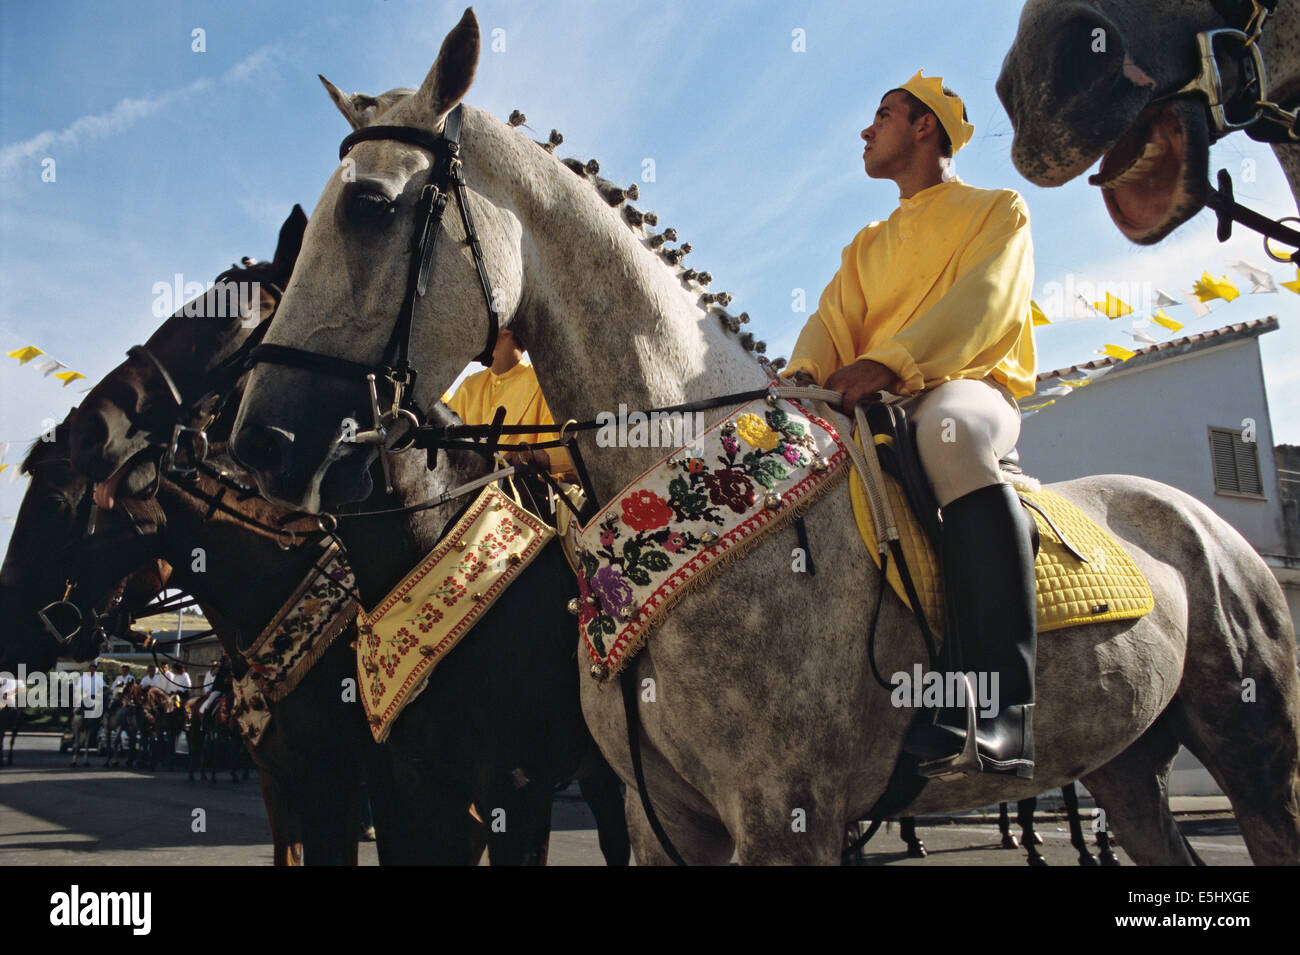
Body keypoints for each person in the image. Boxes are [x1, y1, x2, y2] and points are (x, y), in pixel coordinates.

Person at [785, 71, 1038, 779]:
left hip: (964, 387)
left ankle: (1001, 704)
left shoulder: (997, 209)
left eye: (883, 115)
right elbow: (829, 325)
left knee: (949, 437)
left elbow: (985, 304)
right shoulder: (866, 243)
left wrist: (890, 363)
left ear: (925, 127)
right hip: (872, 397)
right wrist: (800, 377)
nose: (867, 130)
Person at [444, 327, 575, 480]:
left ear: (505, 330)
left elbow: (566, 451)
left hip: (520, 496)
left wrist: (535, 455)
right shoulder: (469, 385)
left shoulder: (543, 383)